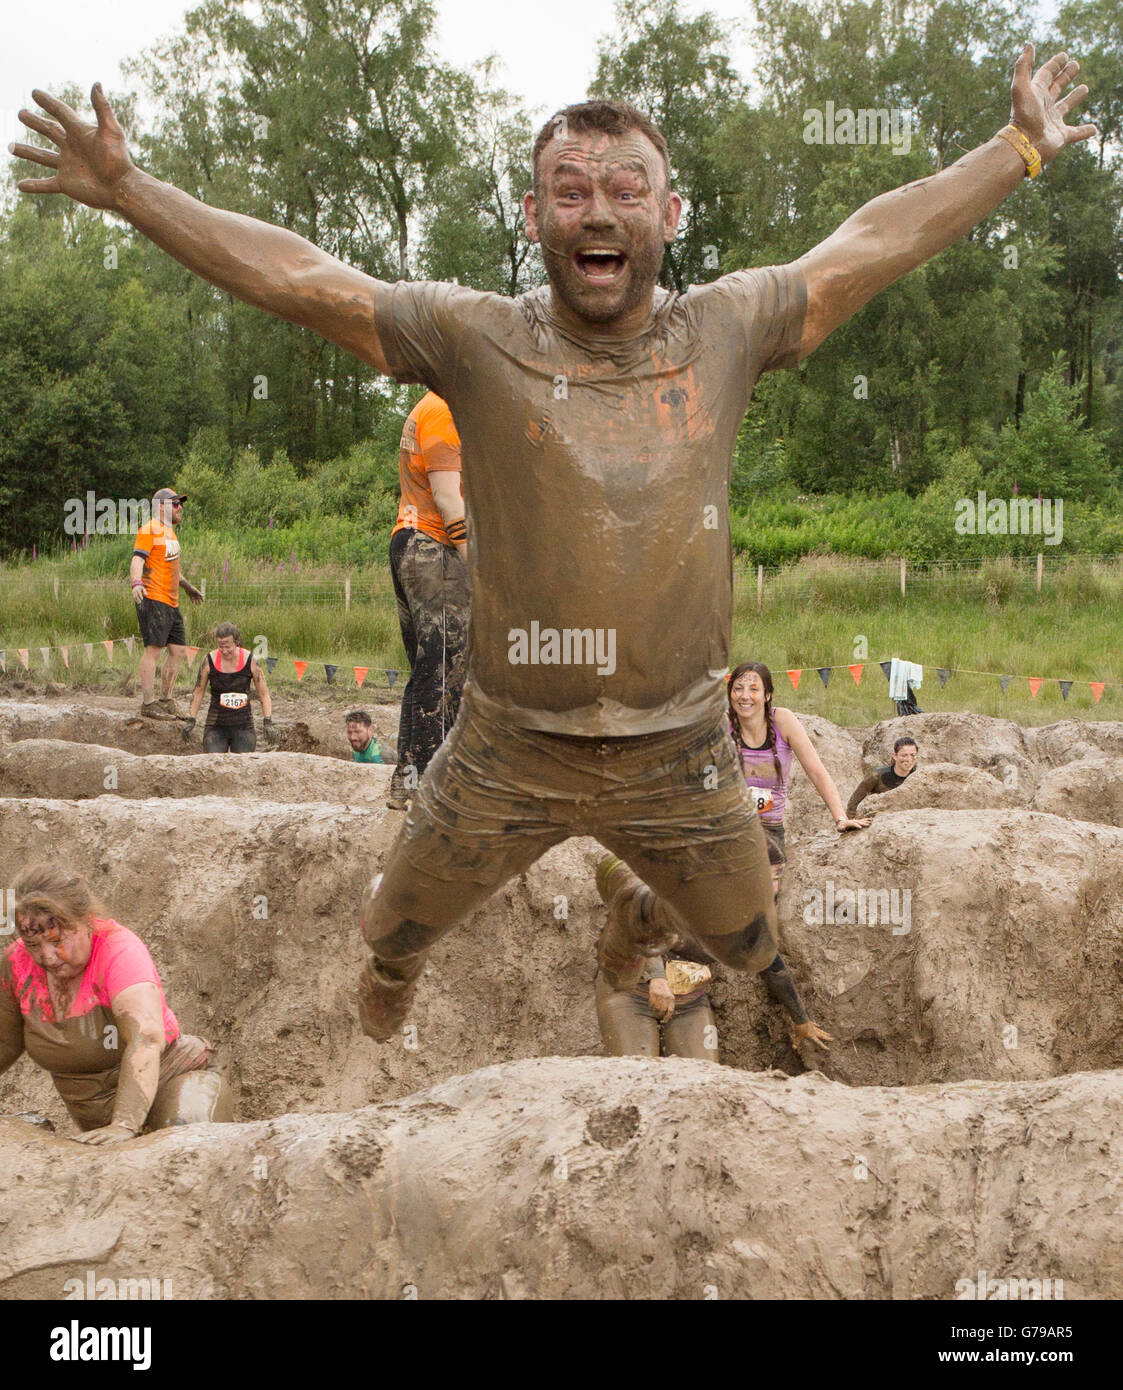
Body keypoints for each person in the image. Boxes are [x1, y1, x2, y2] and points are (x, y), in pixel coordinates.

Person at [10, 54, 1094, 1040]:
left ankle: (633, 930)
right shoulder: (475, 336)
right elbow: (299, 275)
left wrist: (1017, 150)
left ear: (670, 210)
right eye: (571, 191)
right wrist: (132, 190)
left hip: (677, 748)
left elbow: (873, 238)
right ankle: (402, 967)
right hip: (508, 747)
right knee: (389, 927)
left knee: (748, 937)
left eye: (626, 190)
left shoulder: (727, 327)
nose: (598, 211)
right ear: (533, 215)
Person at [0, 864, 233, 1143]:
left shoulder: (118, 950)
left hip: (175, 1082)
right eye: (34, 944)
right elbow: (5, 1044)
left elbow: (146, 1038)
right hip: (100, 1116)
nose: (48, 957)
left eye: (58, 940)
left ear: (87, 920)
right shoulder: (17, 964)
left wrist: (124, 1123)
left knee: (185, 1143)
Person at [595, 837, 830, 1062]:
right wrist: (656, 977)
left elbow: (773, 967)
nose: (775, 887)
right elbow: (637, 921)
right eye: (767, 878)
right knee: (637, 1075)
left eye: (778, 878)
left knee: (704, 1080)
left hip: (690, 1002)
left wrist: (801, 1020)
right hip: (632, 992)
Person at [387, 392, 470, 811]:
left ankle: (409, 779)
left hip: (413, 542)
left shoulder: (429, 406)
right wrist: (477, 562)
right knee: (442, 670)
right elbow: (448, 496)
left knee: (427, 668)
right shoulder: (444, 411)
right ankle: (429, 785)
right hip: (433, 547)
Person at [729, 662, 869, 846]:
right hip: (729, 829)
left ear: (767, 695)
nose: (744, 696)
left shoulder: (782, 720)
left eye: (753, 689)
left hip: (769, 830)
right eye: (738, 689)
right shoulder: (722, 725)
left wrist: (840, 818)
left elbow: (816, 771)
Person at [129, 488, 203, 718]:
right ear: (161, 506)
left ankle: (166, 699)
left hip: (171, 601)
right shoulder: (150, 529)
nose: (180, 507)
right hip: (153, 597)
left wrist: (188, 587)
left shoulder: (170, 533)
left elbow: (172, 570)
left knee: (179, 650)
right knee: (154, 650)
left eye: (180, 504)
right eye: (175, 504)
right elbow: (137, 559)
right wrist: (136, 583)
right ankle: (148, 704)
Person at [181, 622, 277, 752]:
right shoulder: (209, 660)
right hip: (216, 725)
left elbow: (264, 694)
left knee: (244, 762)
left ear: (236, 642)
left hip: (243, 725)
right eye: (221, 647)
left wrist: (268, 721)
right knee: (214, 761)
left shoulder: (251, 660)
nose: (224, 651)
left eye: (228, 647)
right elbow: (198, 692)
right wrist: (191, 719)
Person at [846, 737, 918, 819]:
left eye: (913, 755)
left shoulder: (918, 776)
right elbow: (854, 801)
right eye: (904, 755)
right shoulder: (877, 775)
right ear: (895, 756)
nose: (909, 759)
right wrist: (850, 820)